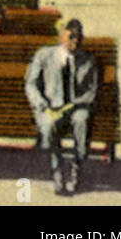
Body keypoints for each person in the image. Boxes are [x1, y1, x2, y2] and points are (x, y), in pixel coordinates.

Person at [25, 19, 99, 195]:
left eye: (78, 37)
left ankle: (76, 167)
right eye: (70, 37)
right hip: (50, 106)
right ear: (61, 37)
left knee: (82, 120)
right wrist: (42, 105)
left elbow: (92, 90)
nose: (75, 42)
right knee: (49, 124)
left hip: (76, 107)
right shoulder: (44, 55)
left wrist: (76, 104)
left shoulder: (87, 61)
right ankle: (56, 169)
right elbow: (30, 84)